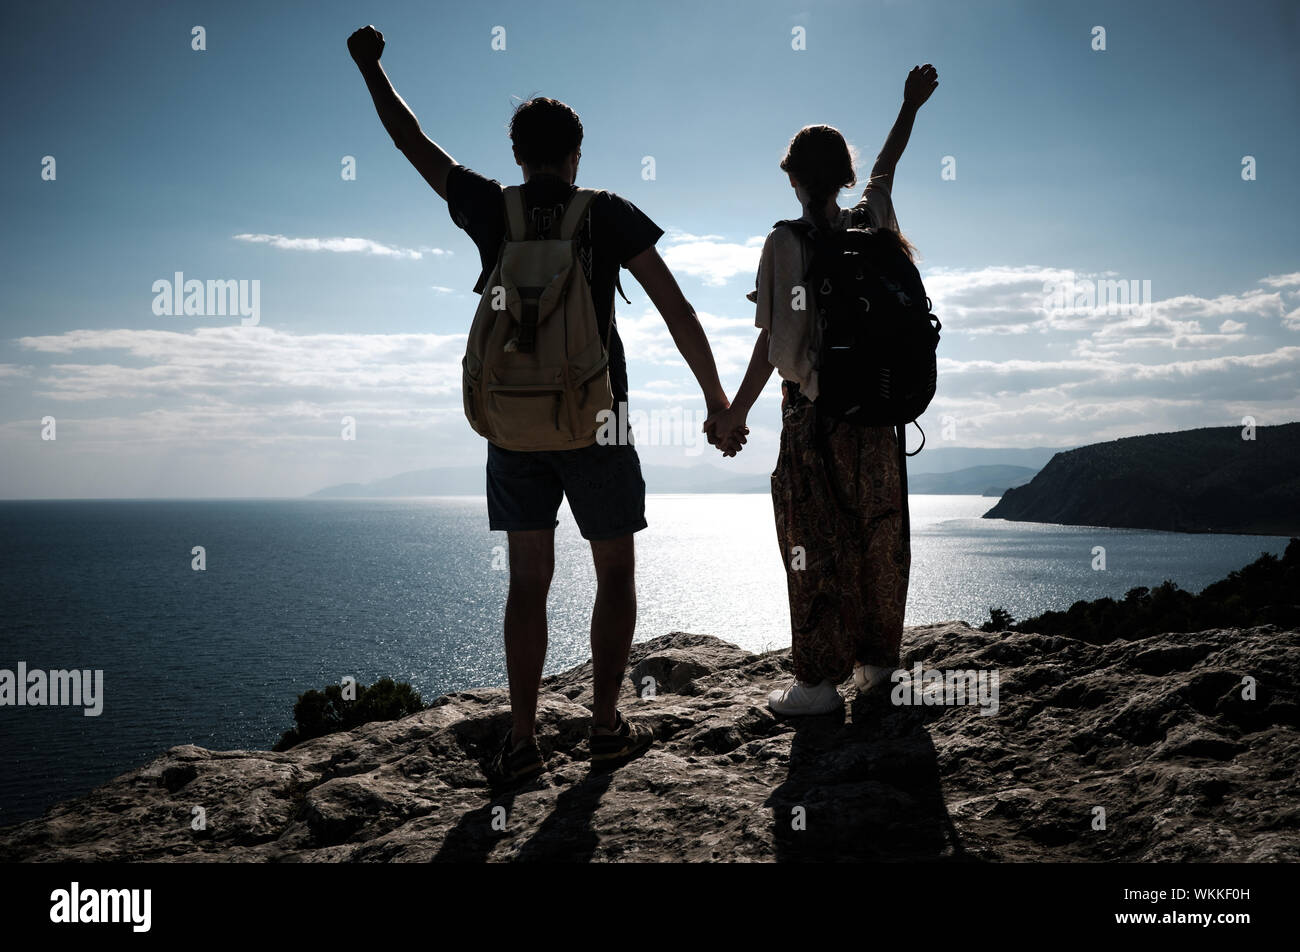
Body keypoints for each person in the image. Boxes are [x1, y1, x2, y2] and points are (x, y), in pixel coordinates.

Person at [348, 26, 734, 782]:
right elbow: (678, 310)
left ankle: (521, 743)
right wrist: (717, 402)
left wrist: (372, 67)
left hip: (513, 423)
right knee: (614, 572)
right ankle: (603, 728)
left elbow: (410, 141)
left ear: (518, 153)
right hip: (600, 418)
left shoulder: (490, 207)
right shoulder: (608, 212)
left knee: (529, 581)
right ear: (575, 154)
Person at [706, 65, 939, 716]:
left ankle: (815, 688)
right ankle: (879, 674)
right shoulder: (874, 225)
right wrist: (908, 105)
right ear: (843, 176)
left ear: (791, 176)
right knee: (881, 537)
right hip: (882, 417)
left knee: (812, 542)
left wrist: (734, 413)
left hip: (816, 417)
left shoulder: (787, 241)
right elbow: (887, 166)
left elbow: (773, 345)